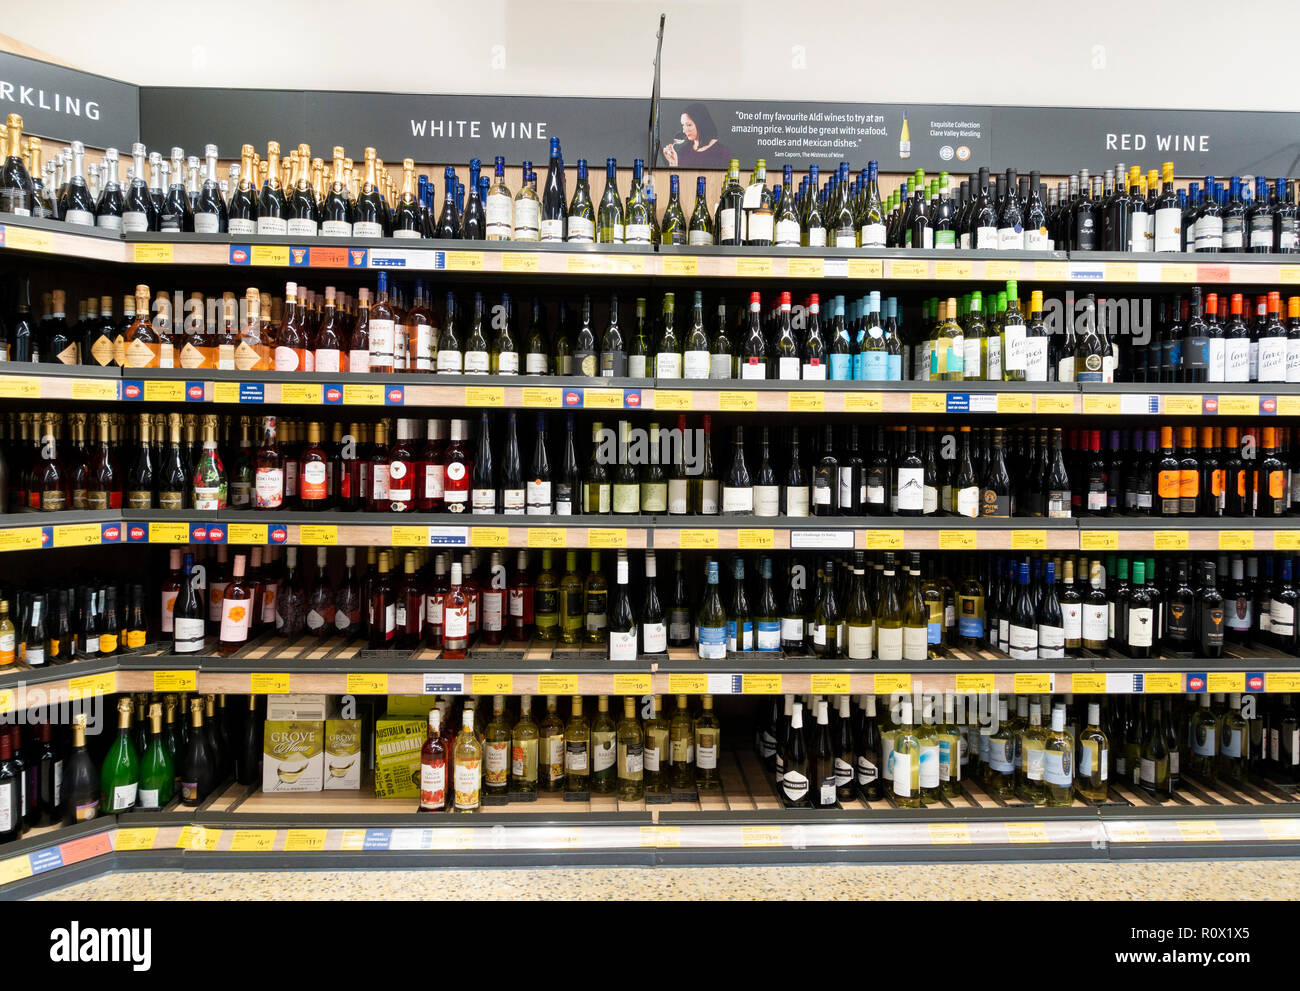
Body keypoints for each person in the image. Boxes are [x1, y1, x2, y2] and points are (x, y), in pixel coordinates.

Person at [662, 103, 732, 168]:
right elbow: (679, 178)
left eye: (689, 125)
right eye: (683, 125)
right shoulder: (684, 152)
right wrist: (673, 164)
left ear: (701, 123)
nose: (684, 131)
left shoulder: (722, 152)